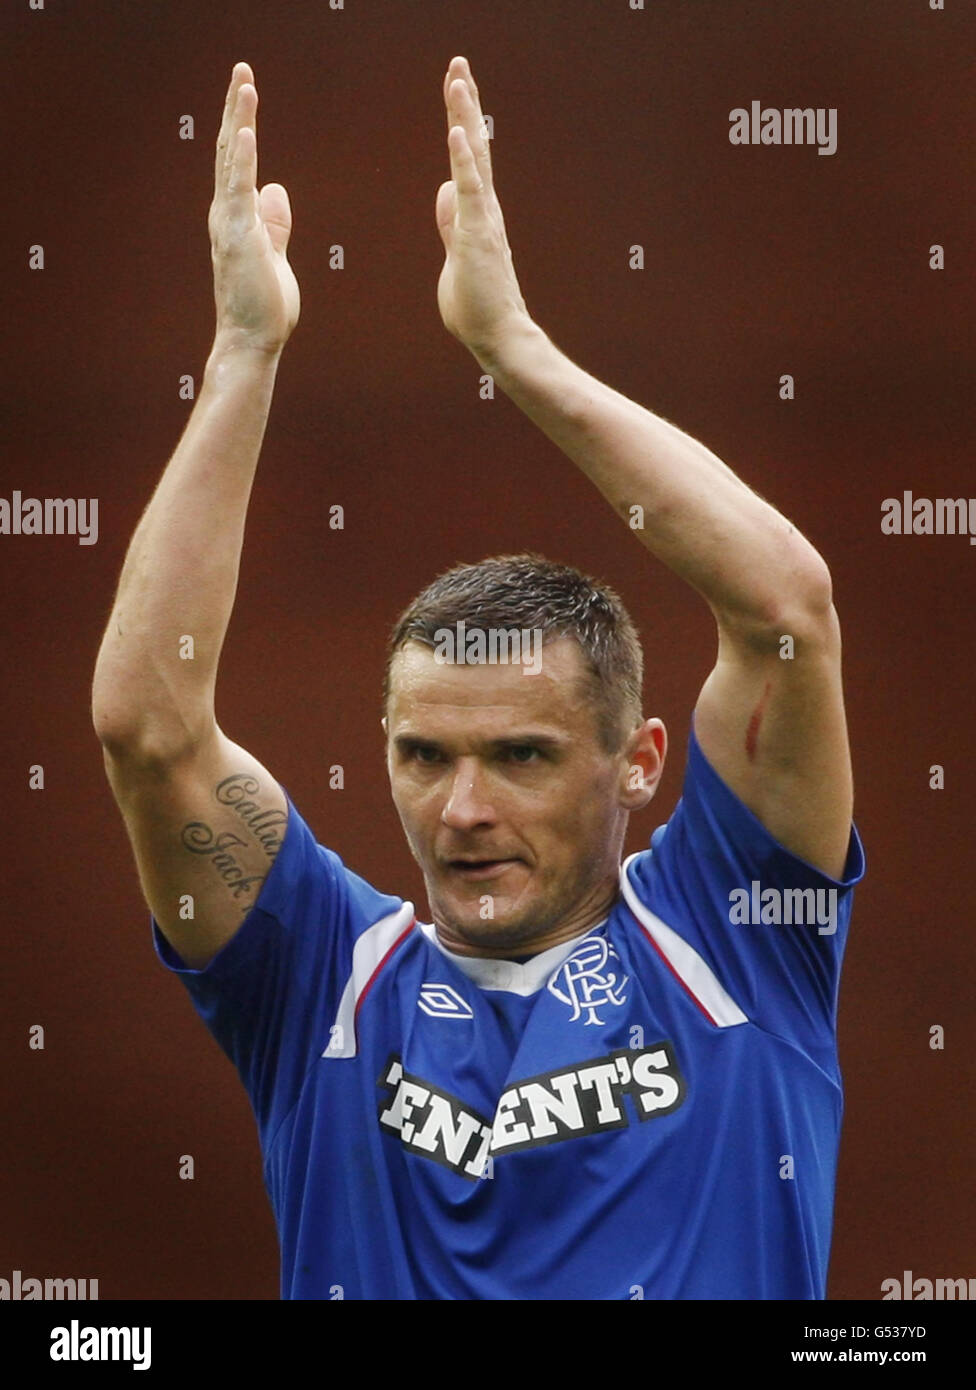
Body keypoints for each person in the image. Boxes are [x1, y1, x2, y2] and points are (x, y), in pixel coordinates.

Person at [91, 56, 864, 1300]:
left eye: (521, 755)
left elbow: (787, 606)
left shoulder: (740, 931)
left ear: (642, 761)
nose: (461, 809)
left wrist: (513, 347)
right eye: (423, 755)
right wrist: (243, 351)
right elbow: (147, 728)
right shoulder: (321, 977)